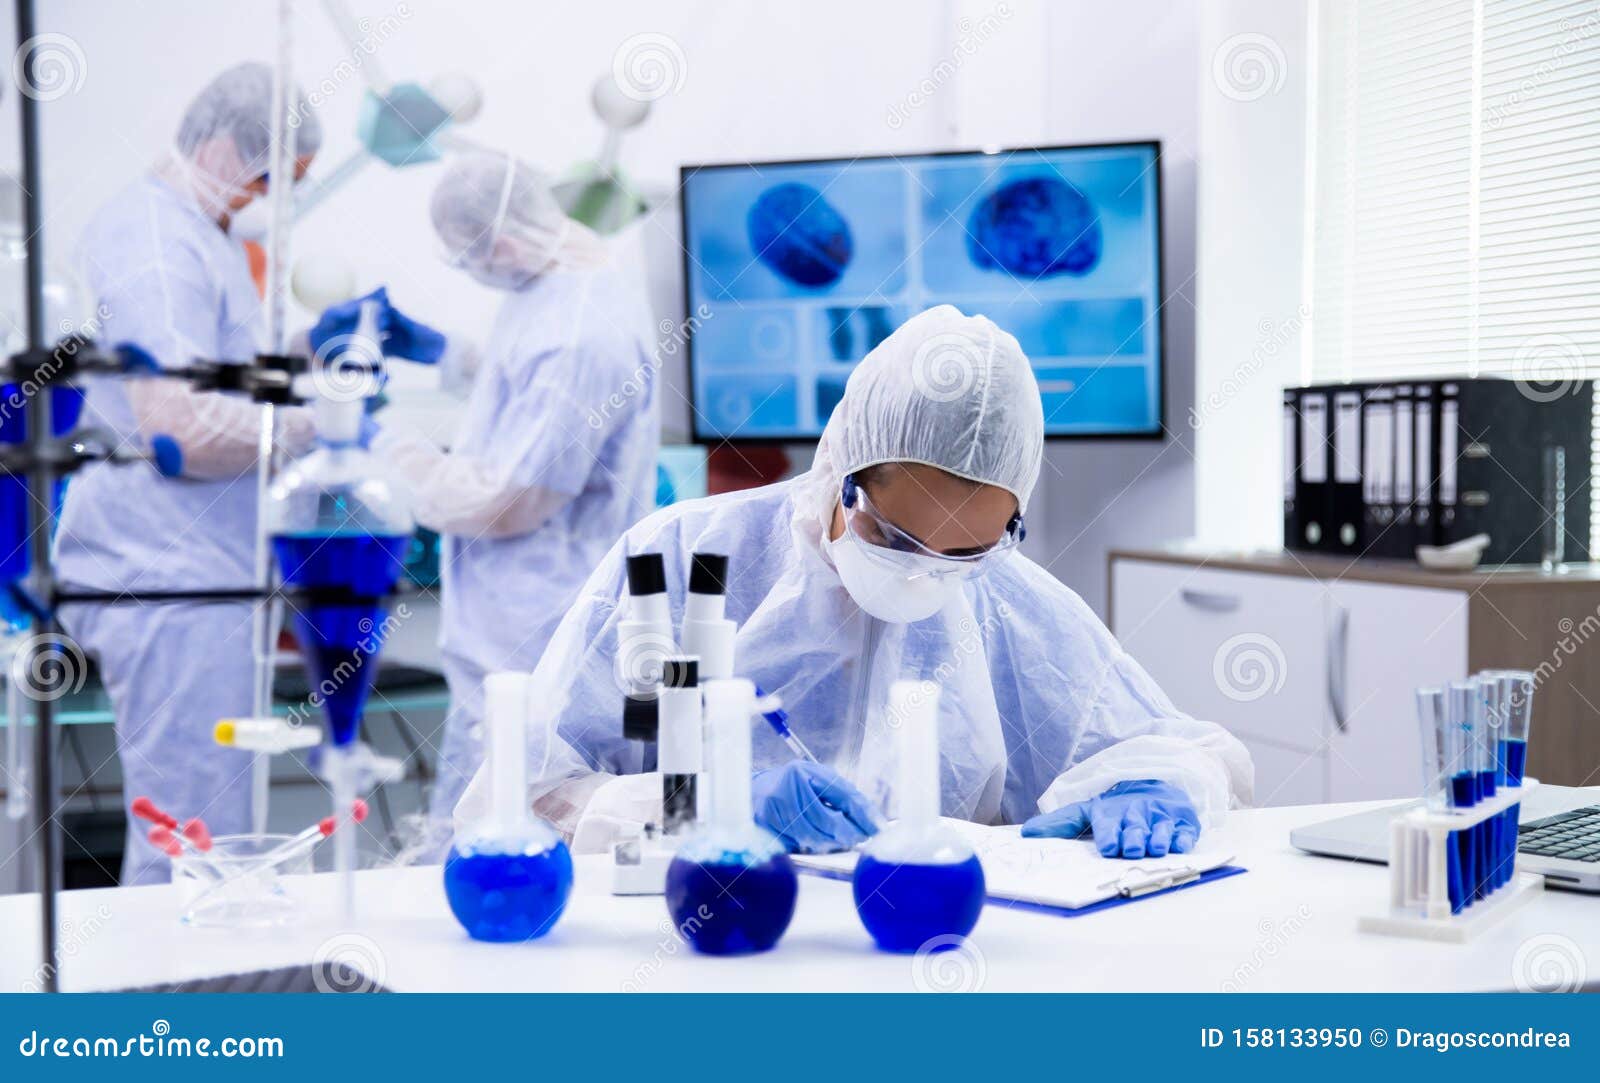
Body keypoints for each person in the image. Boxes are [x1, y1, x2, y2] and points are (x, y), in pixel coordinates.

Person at [456, 306, 1253, 858]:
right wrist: (707, 807)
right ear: (841, 470)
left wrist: (1158, 786)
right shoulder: (678, 563)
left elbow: (1191, 752)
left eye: (961, 554)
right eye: (896, 538)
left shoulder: (1006, 597)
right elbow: (521, 801)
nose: (921, 575)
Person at [56, 62, 441, 885]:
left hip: (204, 571)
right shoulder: (156, 246)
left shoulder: (205, 234)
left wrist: (310, 347)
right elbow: (179, 427)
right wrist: (320, 425)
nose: (276, 197)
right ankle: (161, 1007)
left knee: (215, 816)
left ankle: (206, 980)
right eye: (276, 176)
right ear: (227, 146)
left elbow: (213, 374)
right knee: (188, 829)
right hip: (163, 572)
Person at [374, 151, 659, 831]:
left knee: (510, 828)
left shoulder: (578, 336)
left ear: (501, 243)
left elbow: (504, 502)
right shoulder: (558, 281)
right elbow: (522, 394)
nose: (473, 273)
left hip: (537, 629)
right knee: (487, 818)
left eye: (464, 258)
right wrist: (448, 354)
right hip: (511, 634)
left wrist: (380, 442)